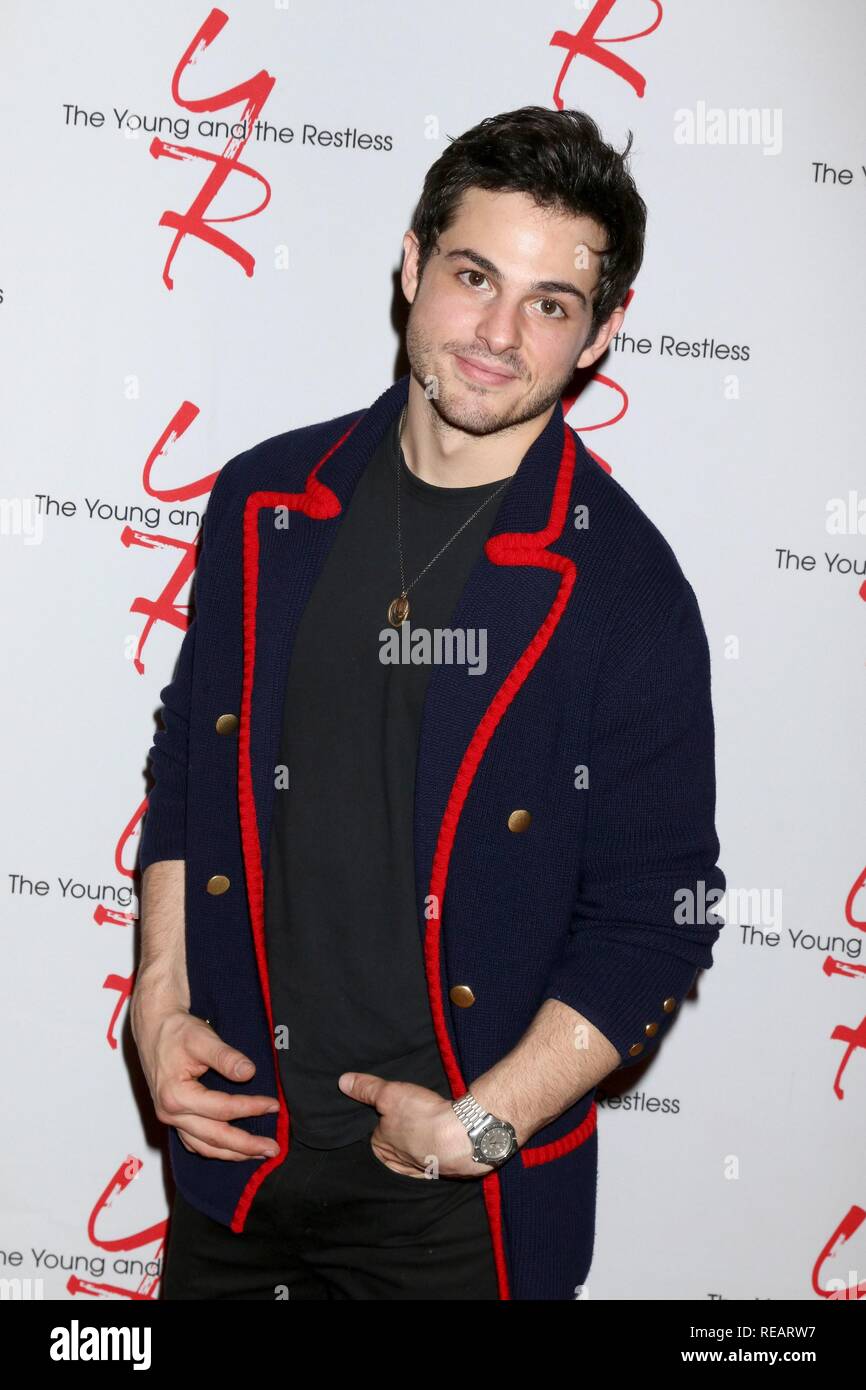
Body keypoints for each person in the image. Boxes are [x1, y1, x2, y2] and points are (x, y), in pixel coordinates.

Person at [132, 105, 725, 1301]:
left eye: (550, 303)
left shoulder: (622, 590)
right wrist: (156, 1000)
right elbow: (188, 763)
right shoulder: (264, 506)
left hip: (454, 1214)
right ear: (411, 265)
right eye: (472, 276)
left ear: (602, 333)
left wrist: (483, 1128)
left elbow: (659, 917)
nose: (499, 334)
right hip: (234, 1165)